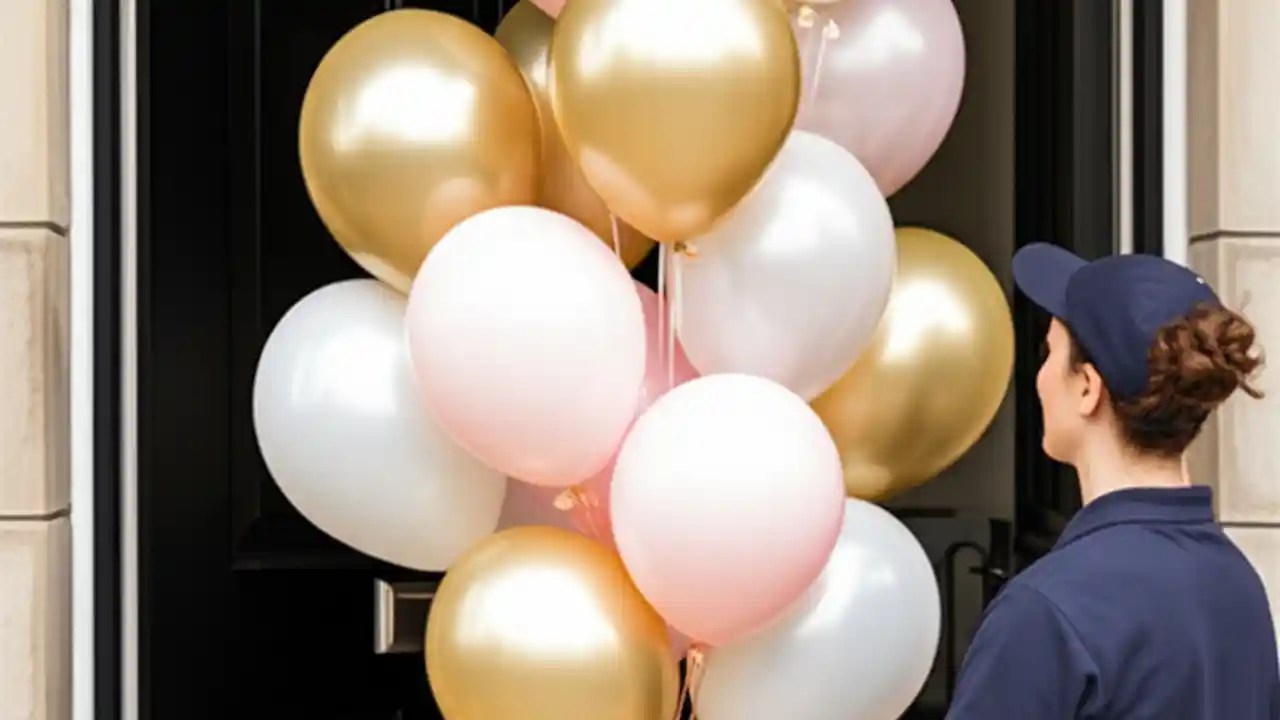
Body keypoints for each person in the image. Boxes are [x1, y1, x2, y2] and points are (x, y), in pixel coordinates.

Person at [947, 244, 1280, 719]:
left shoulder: (1049, 611)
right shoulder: (1236, 585)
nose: (1040, 375)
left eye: (1049, 353)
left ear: (1087, 387)